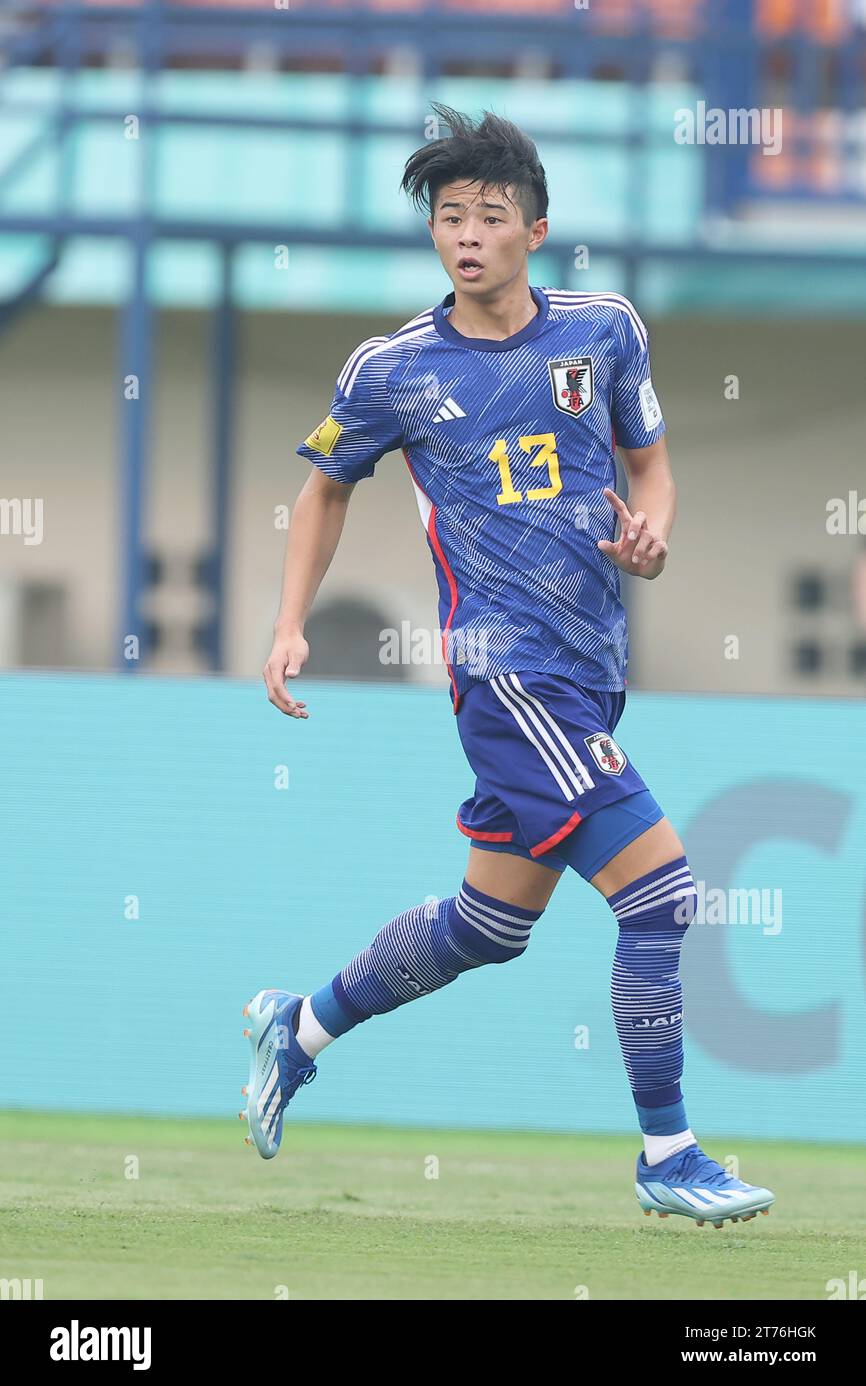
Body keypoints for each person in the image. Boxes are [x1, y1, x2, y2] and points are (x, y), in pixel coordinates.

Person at [245, 105, 774, 1228]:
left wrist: (650, 529)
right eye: (448, 217)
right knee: (664, 895)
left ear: (535, 227)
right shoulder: (393, 368)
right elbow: (324, 485)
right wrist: (289, 621)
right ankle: (667, 1154)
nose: (466, 234)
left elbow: (652, 466)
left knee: (488, 928)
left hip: (587, 667)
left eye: (488, 214)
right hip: (506, 674)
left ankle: (296, 1028)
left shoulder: (604, 330)